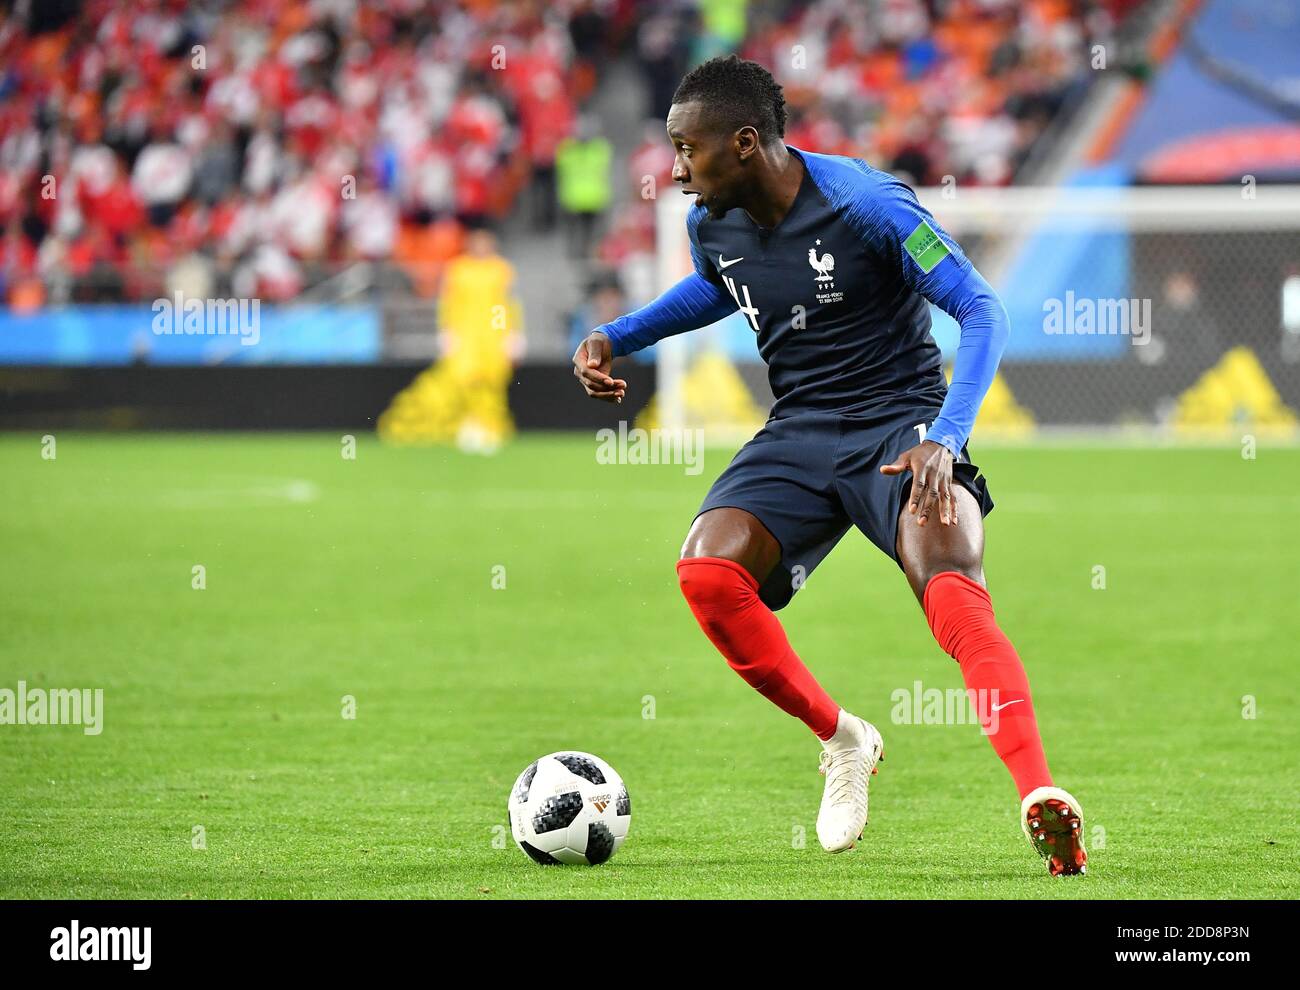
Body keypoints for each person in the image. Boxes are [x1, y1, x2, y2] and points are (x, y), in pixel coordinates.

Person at [570, 56, 1085, 876]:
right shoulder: (715, 221)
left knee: (954, 596)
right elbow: (717, 289)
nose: (674, 171)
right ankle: (844, 739)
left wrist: (945, 438)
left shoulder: (869, 204)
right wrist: (615, 334)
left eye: (685, 150)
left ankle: (1039, 796)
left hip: (902, 428)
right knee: (707, 573)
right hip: (801, 430)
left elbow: (980, 308)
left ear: (745, 142)